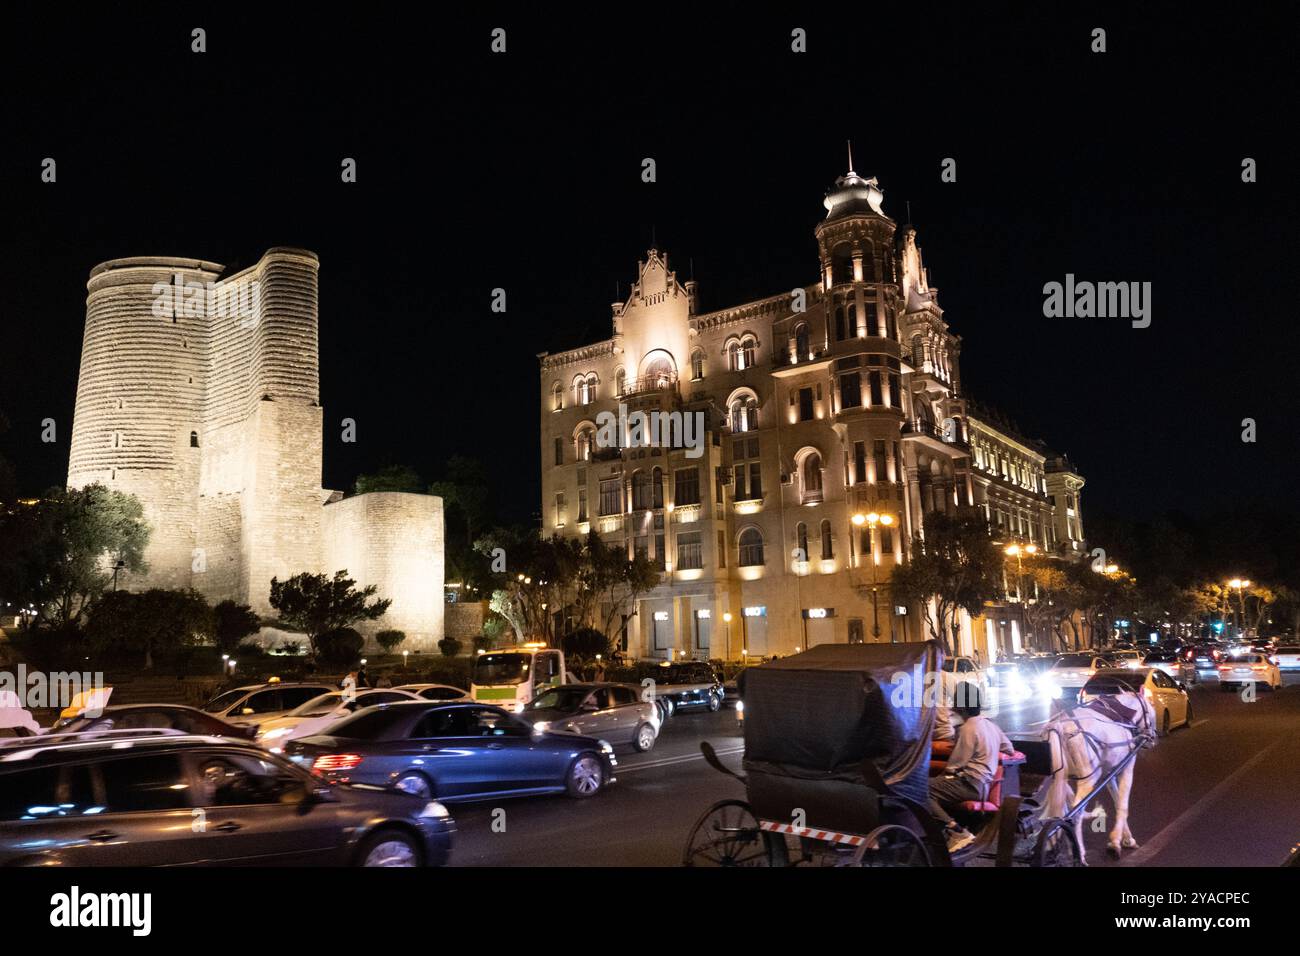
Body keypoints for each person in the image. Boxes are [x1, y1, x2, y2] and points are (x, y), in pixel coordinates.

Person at [927, 681, 1014, 854]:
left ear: (963, 707)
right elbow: (1009, 749)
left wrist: (940, 776)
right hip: (983, 785)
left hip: (968, 785)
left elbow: (955, 765)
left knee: (920, 790)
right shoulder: (991, 726)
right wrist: (988, 750)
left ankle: (956, 831)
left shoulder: (968, 728)